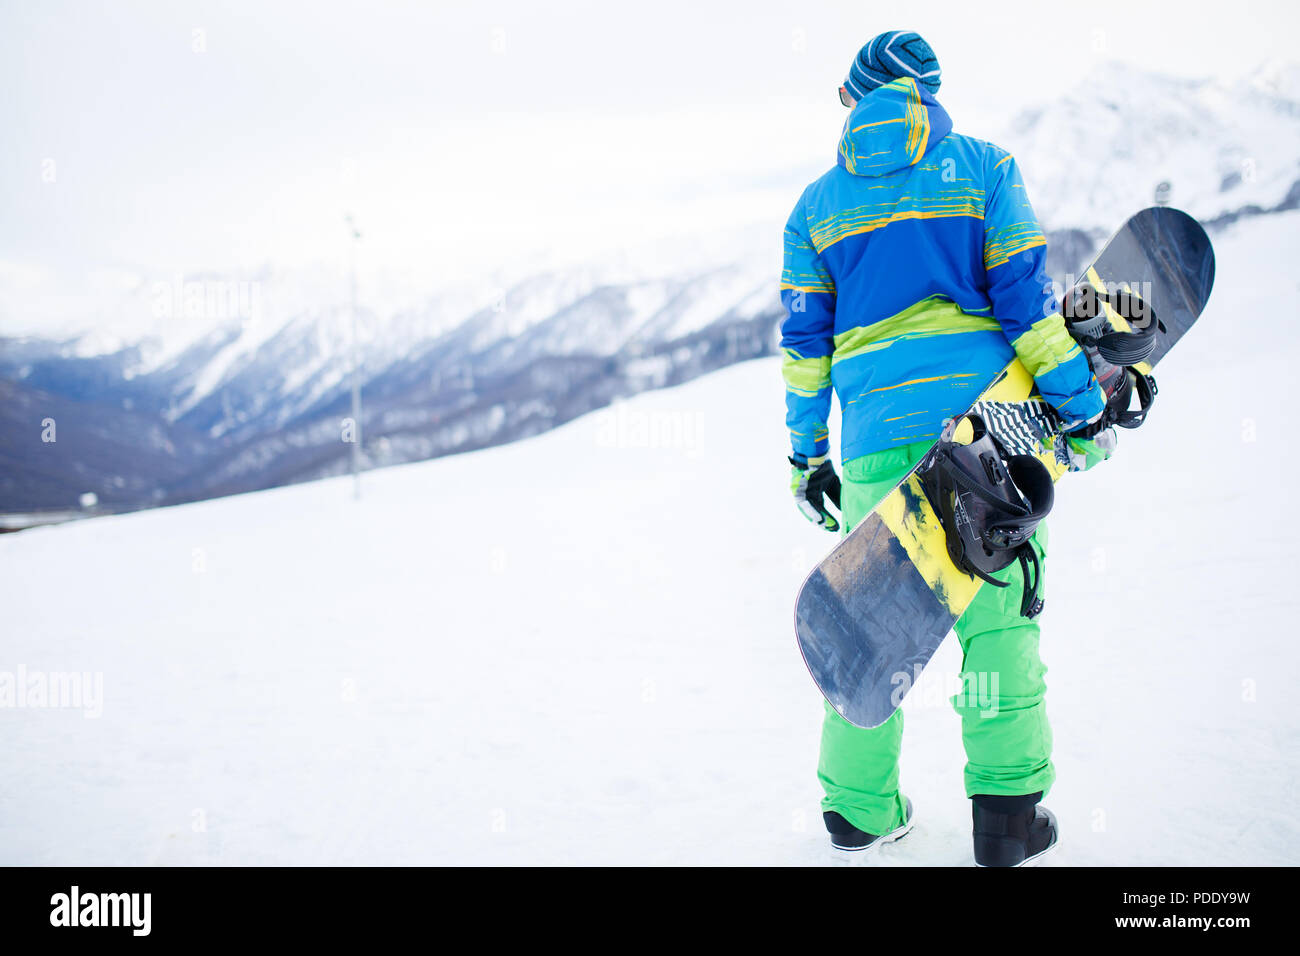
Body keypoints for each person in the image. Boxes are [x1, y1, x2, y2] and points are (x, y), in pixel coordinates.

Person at [780, 30, 1112, 867]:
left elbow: (803, 350)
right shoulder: (985, 168)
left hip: (870, 446)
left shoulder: (814, 210)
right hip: (983, 431)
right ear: (927, 94)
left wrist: (805, 457)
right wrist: (1079, 407)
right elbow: (1027, 309)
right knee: (997, 624)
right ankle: (1006, 819)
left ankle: (857, 811)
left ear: (856, 102)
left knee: (869, 623)